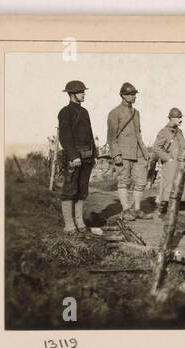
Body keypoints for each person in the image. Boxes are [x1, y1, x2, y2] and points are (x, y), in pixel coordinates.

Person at [57, 80, 103, 235]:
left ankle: (80, 222)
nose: (84, 94)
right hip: (74, 158)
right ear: (71, 94)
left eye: (84, 91)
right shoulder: (65, 112)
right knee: (70, 190)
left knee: (82, 190)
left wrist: (94, 154)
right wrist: (73, 155)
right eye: (81, 92)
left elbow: (89, 135)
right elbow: (65, 136)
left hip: (87, 158)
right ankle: (69, 226)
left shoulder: (84, 112)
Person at [106, 82, 149, 220]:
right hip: (123, 153)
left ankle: (136, 209)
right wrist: (116, 154)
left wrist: (145, 151)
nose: (134, 96)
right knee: (123, 181)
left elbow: (138, 133)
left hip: (138, 152)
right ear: (123, 96)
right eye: (131, 94)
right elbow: (111, 136)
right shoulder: (114, 113)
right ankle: (125, 210)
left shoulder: (137, 113)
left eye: (134, 94)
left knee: (141, 181)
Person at [151, 108, 185, 217]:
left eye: (181, 117)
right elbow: (156, 148)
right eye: (178, 117)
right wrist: (167, 158)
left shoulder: (179, 131)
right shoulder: (163, 132)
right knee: (170, 179)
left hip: (181, 159)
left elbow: (183, 147)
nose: (181, 119)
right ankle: (163, 205)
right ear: (171, 118)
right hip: (171, 161)